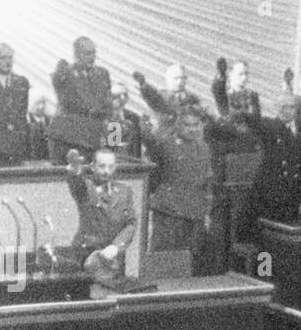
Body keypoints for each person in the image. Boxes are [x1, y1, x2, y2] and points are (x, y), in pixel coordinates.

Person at [143, 105, 218, 276]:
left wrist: (206, 212)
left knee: (190, 262)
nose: (192, 129)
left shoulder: (204, 148)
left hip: (195, 214)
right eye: (187, 125)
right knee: (164, 260)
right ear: (178, 125)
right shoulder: (164, 145)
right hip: (170, 213)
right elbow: (153, 175)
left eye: (196, 125)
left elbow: (207, 182)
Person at [232, 93, 301, 239]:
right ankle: (265, 263)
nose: (288, 111)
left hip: (293, 197)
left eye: (291, 107)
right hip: (270, 196)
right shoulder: (270, 127)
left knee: (288, 243)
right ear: (276, 108)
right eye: (283, 107)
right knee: (266, 242)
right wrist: (248, 107)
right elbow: (254, 121)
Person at [66, 148, 137, 284]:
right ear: (93, 167)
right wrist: (75, 171)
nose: (106, 171)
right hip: (87, 256)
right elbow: (77, 184)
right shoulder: (87, 187)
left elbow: (131, 224)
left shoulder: (124, 190)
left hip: (113, 259)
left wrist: (116, 246)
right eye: (102, 166)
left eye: (110, 166)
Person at [49, 37, 113, 163]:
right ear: (76, 54)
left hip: (97, 135)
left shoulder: (102, 74)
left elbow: (109, 108)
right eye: (87, 53)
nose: (92, 57)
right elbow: (65, 97)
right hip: (74, 137)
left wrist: (113, 141)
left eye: (94, 52)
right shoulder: (66, 74)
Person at [133, 64, 202, 126]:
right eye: (176, 78)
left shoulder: (192, 98)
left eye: (183, 78)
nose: (180, 81)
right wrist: (143, 84)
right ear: (168, 80)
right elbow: (151, 96)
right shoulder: (161, 96)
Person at [106, 82, 142, 160]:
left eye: (124, 95)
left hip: (130, 157)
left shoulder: (134, 117)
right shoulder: (106, 116)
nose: (122, 98)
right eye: (117, 96)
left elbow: (137, 142)